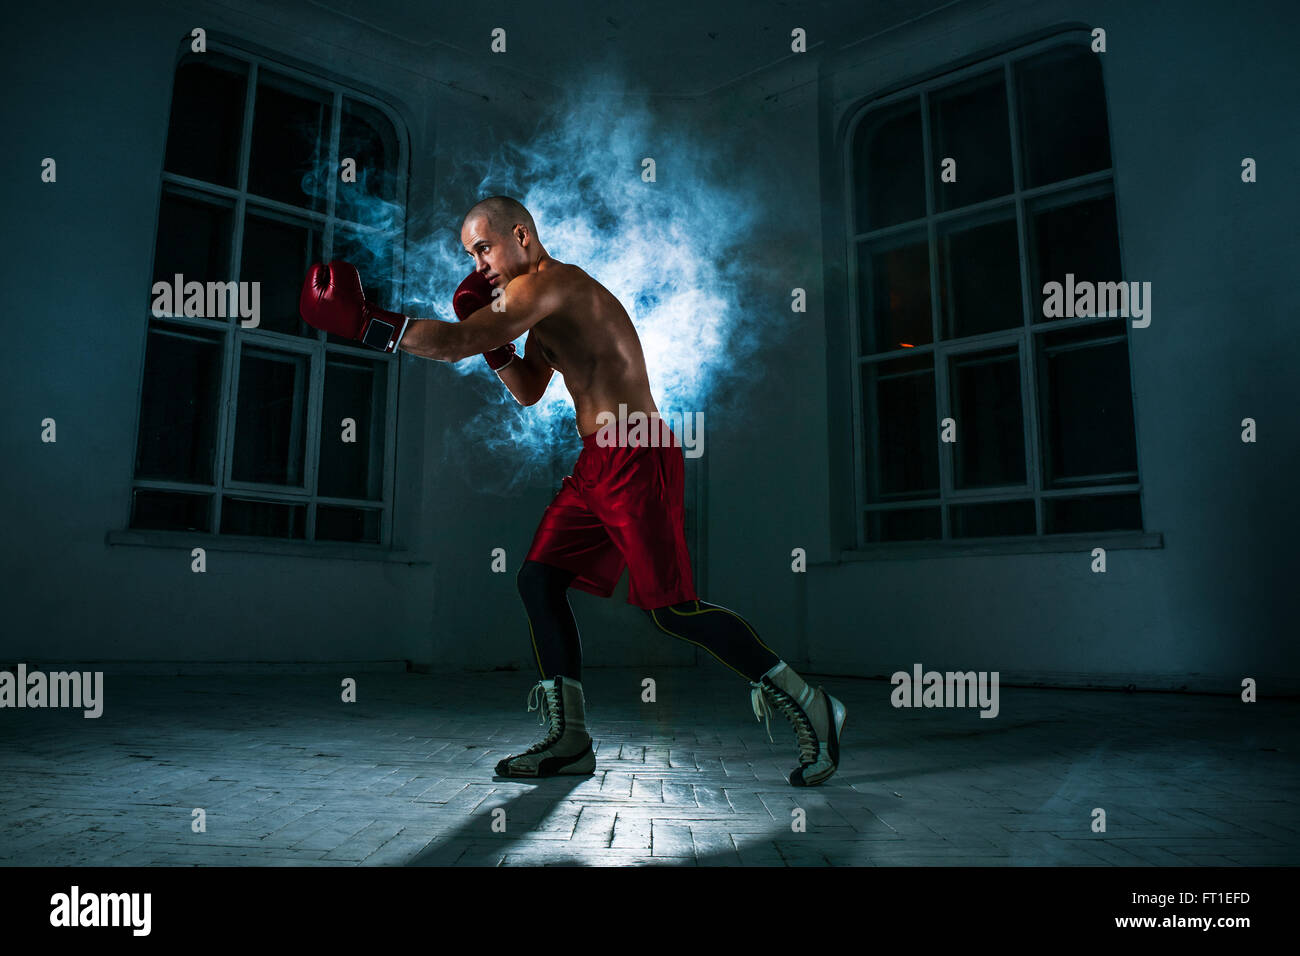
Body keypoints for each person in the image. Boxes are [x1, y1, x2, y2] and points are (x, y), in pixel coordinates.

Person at [298, 196, 846, 787]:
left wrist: (365, 323)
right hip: (597, 461)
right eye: (469, 254)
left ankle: (812, 702)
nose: (478, 263)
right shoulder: (535, 304)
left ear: (521, 235)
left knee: (672, 611)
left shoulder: (552, 286)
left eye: (484, 247)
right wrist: (496, 345)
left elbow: (453, 343)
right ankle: (571, 740)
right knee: (538, 579)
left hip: (637, 452)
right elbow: (531, 389)